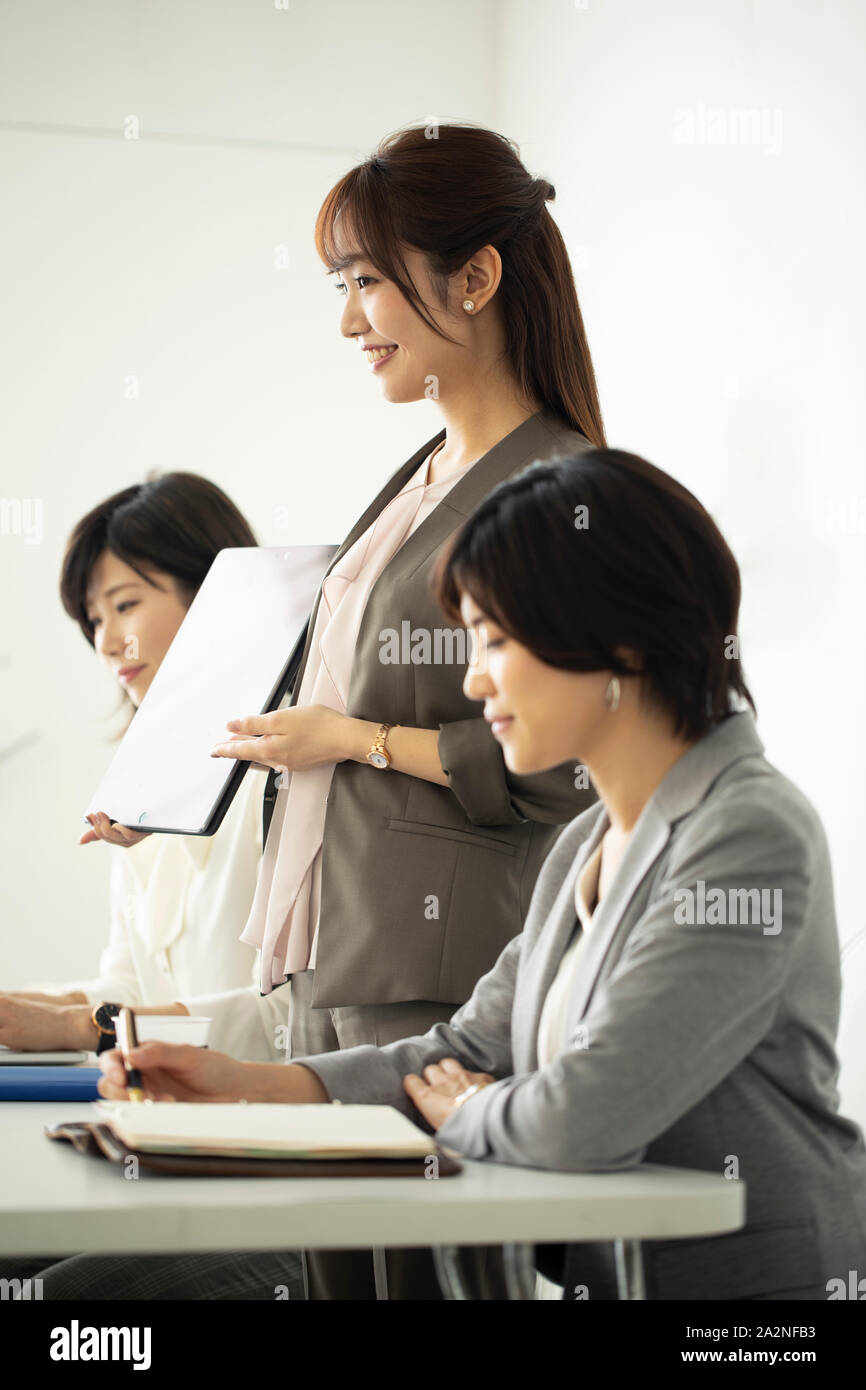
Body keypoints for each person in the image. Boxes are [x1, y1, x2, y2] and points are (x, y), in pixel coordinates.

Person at [28, 120, 604, 1301]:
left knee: (422, 1285)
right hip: (334, 956)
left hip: (434, 968)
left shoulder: (551, 489)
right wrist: (181, 791)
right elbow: (326, 712)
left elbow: (565, 767)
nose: (347, 321)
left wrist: (351, 740)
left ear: (475, 278)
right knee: (343, 1278)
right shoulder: (421, 476)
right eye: (339, 287)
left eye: (364, 282)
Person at [97, 447, 866, 1300]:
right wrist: (249, 1086)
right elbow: (463, 1050)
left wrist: (466, 1111)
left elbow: (583, 1117)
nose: (472, 678)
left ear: (617, 634)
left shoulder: (748, 832)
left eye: (495, 640)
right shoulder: (587, 843)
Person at [0, 471, 294, 1065]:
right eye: (94, 619)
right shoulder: (138, 783)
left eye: (124, 605)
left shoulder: (290, 768)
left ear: (214, 594)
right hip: (166, 1104)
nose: (106, 642)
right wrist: (23, 1011)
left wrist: (82, 1028)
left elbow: (292, 1024)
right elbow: (130, 990)